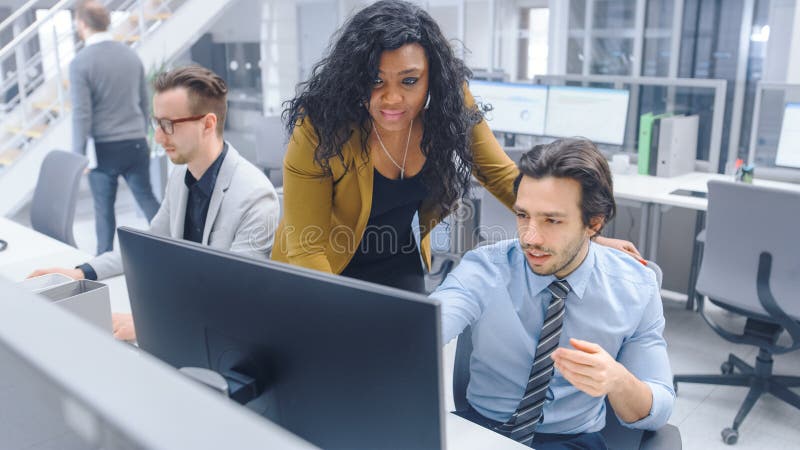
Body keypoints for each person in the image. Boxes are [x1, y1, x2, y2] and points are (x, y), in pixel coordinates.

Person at [272, 0, 640, 293]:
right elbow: (307, 247)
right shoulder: (321, 126)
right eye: (375, 80)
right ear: (354, 78)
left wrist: (586, 238)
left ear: (432, 79)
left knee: (407, 369)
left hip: (399, 263)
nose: (392, 99)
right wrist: (340, 309)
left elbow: (501, 177)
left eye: (410, 80)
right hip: (323, 267)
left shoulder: (450, 104)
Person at [432, 139, 674, 449]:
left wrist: (617, 379)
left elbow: (659, 407)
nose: (530, 237)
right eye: (523, 216)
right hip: (482, 433)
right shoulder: (485, 268)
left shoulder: (636, 287)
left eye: (552, 220)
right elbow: (423, 329)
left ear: (594, 223)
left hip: (571, 440)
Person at [30, 65, 281, 341]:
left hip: (218, 338)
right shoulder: (181, 176)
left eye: (169, 125)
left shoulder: (255, 197)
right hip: (180, 312)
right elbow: (148, 242)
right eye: (157, 123)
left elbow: (237, 299)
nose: (159, 138)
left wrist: (155, 325)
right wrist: (81, 272)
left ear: (208, 124)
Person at [71, 1, 161, 254]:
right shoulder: (130, 55)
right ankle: (174, 246)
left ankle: (103, 263)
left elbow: (81, 114)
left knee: (104, 211)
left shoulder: (81, 62)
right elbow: (145, 101)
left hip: (103, 148)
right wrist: (142, 132)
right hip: (135, 142)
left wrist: (78, 157)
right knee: (147, 199)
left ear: (82, 24)